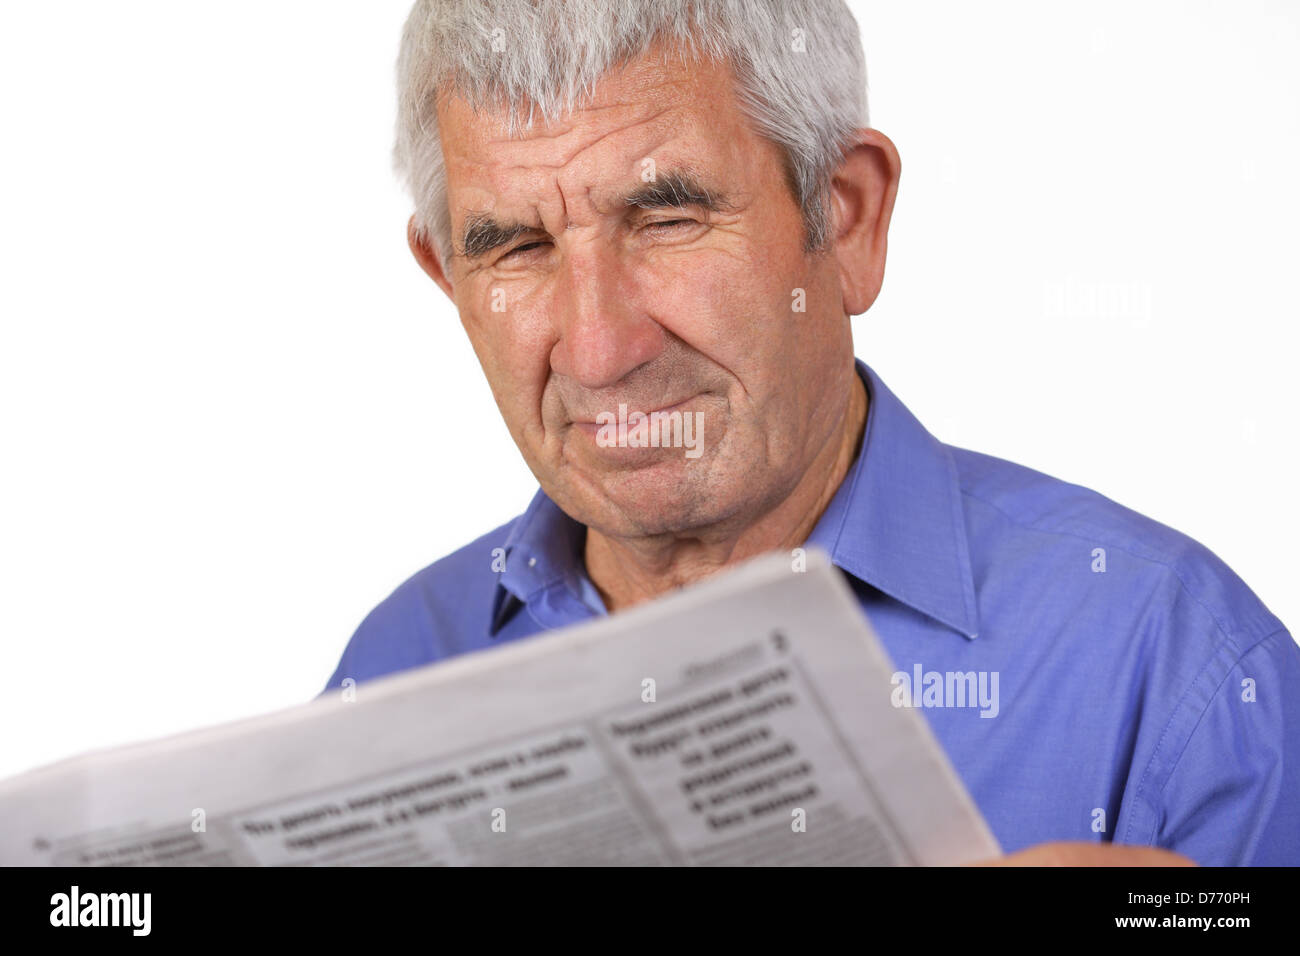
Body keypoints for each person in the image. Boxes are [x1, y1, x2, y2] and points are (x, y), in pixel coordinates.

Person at [323, 0, 1298, 866]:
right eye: (520, 247)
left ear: (848, 218)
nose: (597, 349)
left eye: (668, 218)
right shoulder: (399, 660)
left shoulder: (1177, 667)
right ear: (449, 277)